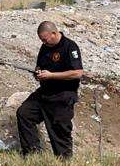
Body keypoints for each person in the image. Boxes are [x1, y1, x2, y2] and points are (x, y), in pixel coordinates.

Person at [15, 21, 85, 158]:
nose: (43, 42)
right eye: (41, 40)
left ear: (54, 33)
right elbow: (39, 65)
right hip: (45, 93)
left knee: (59, 132)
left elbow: (77, 73)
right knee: (24, 113)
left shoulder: (70, 47)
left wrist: (52, 75)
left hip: (62, 95)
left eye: (45, 39)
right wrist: (38, 73)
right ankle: (32, 155)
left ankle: (63, 163)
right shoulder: (45, 47)